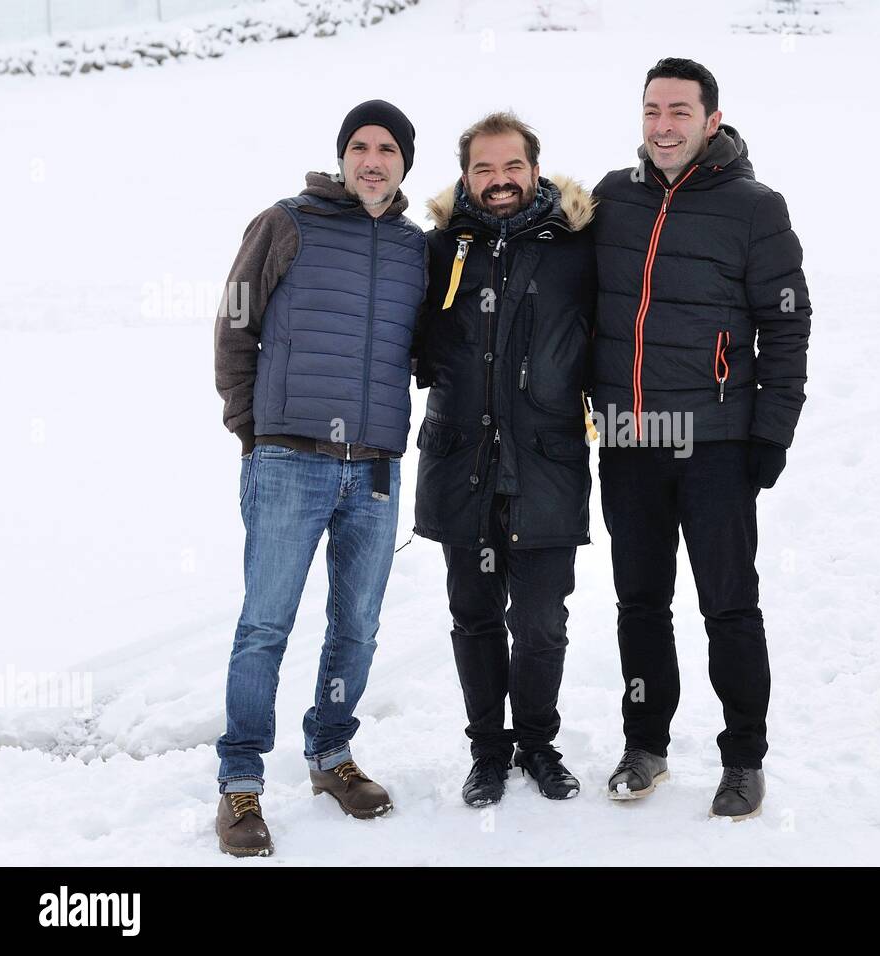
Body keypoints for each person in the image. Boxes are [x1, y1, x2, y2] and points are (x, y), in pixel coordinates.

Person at [591, 59, 811, 820]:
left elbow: (786, 324)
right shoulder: (612, 197)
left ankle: (744, 757)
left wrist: (770, 433)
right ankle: (645, 745)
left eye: (680, 111)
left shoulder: (755, 208)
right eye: (652, 109)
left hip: (715, 441)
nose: (664, 125)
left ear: (712, 121)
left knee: (729, 606)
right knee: (640, 605)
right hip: (627, 436)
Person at [211, 100, 426, 856]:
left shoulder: (414, 247)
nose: (373, 160)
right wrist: (254, 430)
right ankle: (240, 784)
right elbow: (236, 321)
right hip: (288, 460)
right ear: (342, 157)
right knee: (265, 625)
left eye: (388, 148)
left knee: (358, 629)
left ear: (405, 162)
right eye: (360, 147)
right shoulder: (286, 221)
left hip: (372, 470)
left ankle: (332, 756)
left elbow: (427, 350)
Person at [412, 112, 596, 807]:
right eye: (483, 169)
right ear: (466, 177)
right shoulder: (436, 250)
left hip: (547, 464)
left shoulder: (579, 249)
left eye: (511, 166)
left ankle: (539, 744)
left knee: (543, 620)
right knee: (475, 615)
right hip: (461, 464)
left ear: (535, 170)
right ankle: (488, 751)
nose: (498, 181)